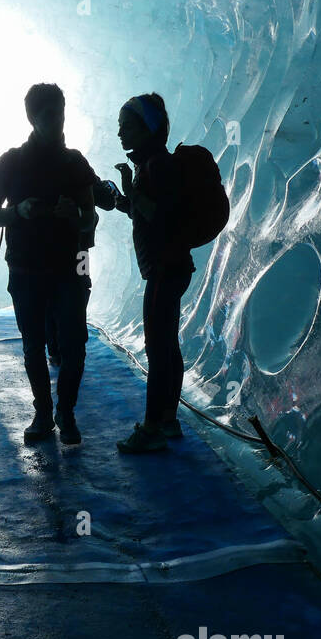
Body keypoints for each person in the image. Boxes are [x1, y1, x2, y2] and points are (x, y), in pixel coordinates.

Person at [0, 83, 97, 445]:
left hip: (70, 267)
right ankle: (45, 412)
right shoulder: (11, 162)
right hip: (27, 269)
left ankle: (64, 411)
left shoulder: (75, 163)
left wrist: (74, 215)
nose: (57, 121)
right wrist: (18, 211)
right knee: (34, 345)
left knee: (74, 344)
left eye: (60, 112)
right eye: (49, 114)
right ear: (32, 117)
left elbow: (90, 220)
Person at [113, 93, 196, 454]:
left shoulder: (157, 165)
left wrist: (132, 193)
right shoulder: (153, 164)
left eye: (126, 126)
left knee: (158, 349)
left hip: (164, 270)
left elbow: (161, 217)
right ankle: (168, 420)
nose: (120, 134)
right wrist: (125, 199)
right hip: (173, 267)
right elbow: (148, 213)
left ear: (147, 129)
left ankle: (151, 429)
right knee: (168, 345)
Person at [46, 177, 124, 365]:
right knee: (79, 291)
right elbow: (108, 201)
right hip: (78, 250)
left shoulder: (40, 168)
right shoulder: (78, 168)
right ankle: (71, 345)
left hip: (51, 250)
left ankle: (56, 349)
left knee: (52, 295)